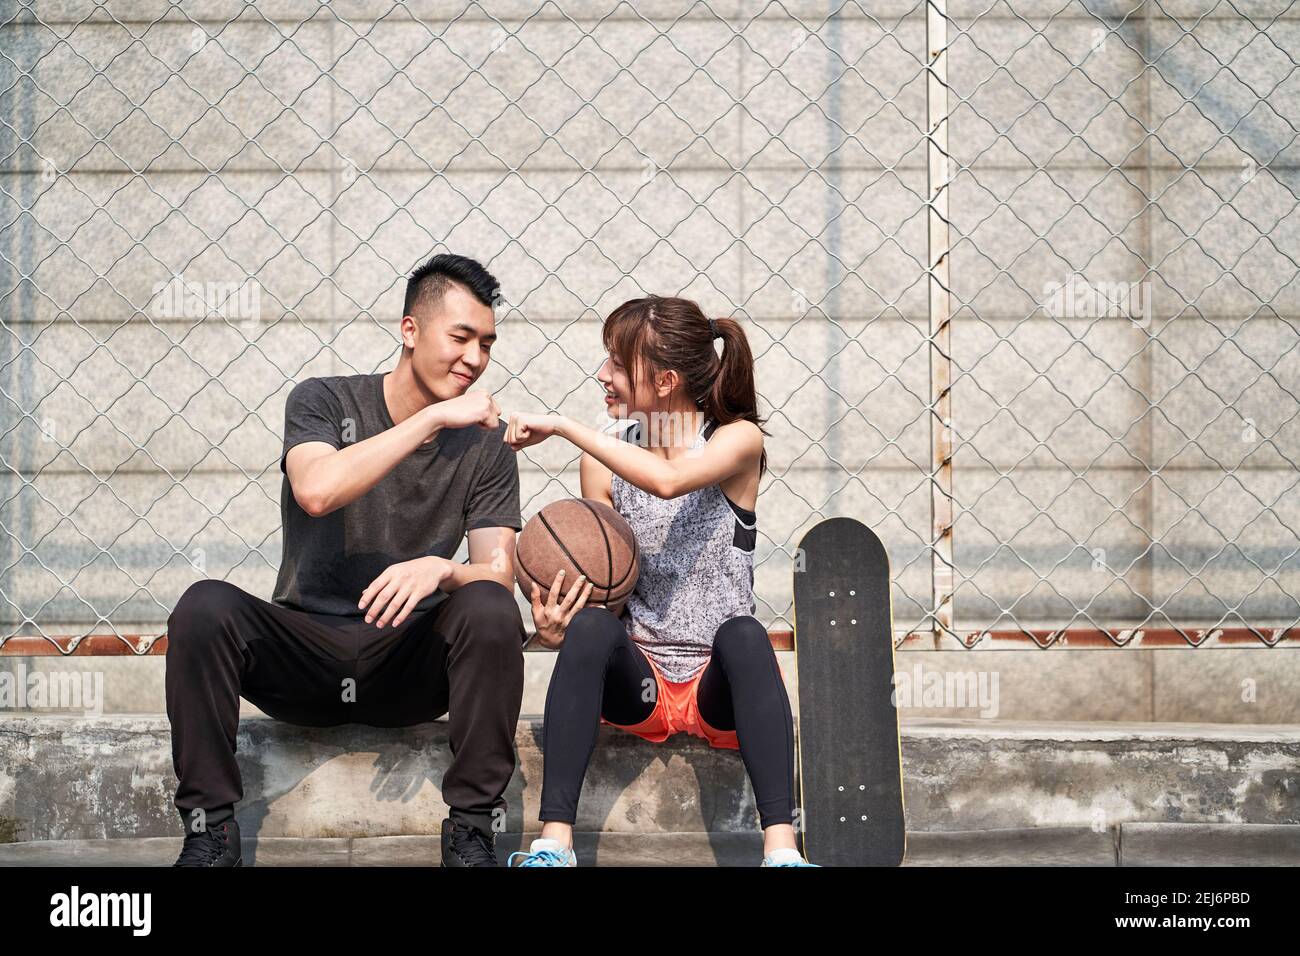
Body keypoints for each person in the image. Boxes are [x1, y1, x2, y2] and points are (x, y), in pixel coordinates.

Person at [165, 253, 527, 867]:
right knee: (204, 607)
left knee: (489, 607)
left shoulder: (487, 443)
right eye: (460, 337)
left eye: (487, 344)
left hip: (405, 661)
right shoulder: (324, 400)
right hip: (305, 656)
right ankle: (211, 833)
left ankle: (470, 834)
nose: (475, 359)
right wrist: (432, 419)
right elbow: (316, 489)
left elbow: (498, 572)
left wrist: (444, 570)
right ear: (410, 331)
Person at [501, 295, 815, 867]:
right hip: (639, 679)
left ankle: (782, 853)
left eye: (617, 364)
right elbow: (604, 585)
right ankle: (553, 846)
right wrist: (558, 631)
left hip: (716, 687)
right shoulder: (605, 460)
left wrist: (565, 426)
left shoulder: (737, 441)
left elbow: (670, 480)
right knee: (593, 627)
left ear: (665, 380)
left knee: (746, 634)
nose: (603, 375)